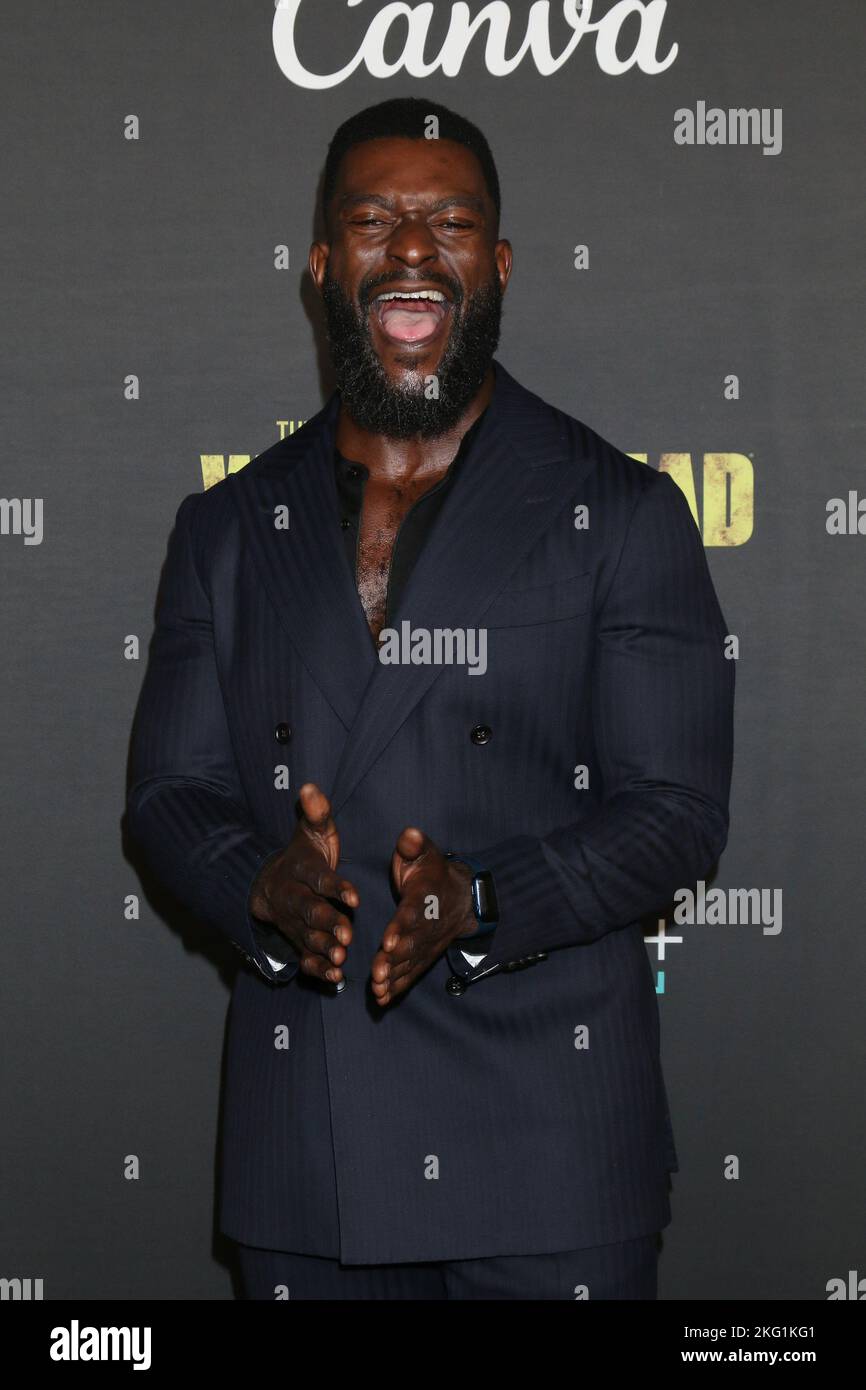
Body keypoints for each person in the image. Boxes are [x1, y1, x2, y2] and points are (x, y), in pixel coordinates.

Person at [127, 97, 735, 1300]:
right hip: (310, 1152)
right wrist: (260, 882)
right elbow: (169, 794)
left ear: (497, 266)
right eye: (373, 220)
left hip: (548, 1155)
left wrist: (487, 899)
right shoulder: (230, 529)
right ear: (320, 267)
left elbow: (674, 809)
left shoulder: (615, 510)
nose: (412, 247)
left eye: (449, 221)